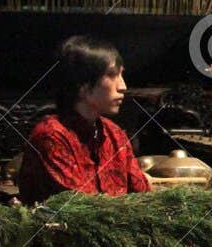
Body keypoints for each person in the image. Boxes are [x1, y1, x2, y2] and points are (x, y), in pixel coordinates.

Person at [18, 36, 150, 206]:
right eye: (111, 75)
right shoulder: (52, 136)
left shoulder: (114, 134)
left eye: (121, 74)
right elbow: (82, 210)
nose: (122, 86)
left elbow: (143, 196)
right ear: (82, 85)